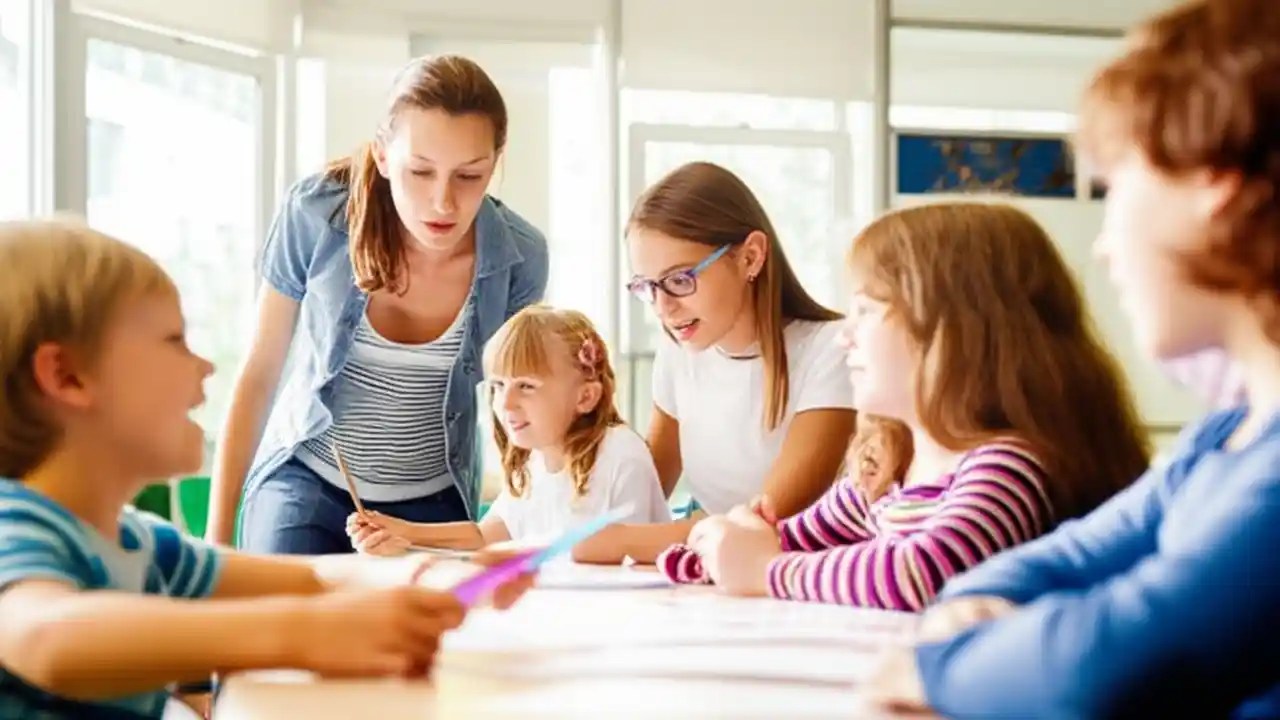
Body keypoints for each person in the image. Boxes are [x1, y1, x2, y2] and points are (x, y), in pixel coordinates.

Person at [870, 1, 1280, 716]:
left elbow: (1111, 659)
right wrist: (972, 608)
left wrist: (940, 665)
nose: (1103, 243)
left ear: (1213, 178)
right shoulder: (1219, 441)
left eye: (1118, 185)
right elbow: (1059, 559)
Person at [0, 221, 530, 720]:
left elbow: (314, 577)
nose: (205, 366)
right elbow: (45, 636)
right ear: (67, 375)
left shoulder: (140, 546)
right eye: (173, 341)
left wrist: (434, 576)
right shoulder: (15, 525)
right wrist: (305, 634)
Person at [658, 203, 1150, 609]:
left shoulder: (1009, 467)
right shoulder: (888, 468)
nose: (846, 335)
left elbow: (924, 574)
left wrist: (768, 570)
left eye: (867, 312)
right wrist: (718, 546)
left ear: (955, 332)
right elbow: (794, 536)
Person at [208, 54, 549, 554]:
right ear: (384, 155)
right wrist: (215, 544)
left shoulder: (521, 257)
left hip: (433, 505)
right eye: (421, 171)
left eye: (469, 176)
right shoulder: (317, 214)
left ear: (495, 163)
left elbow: (523, 404)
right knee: (284, 617)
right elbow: (260, 372)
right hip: (307, 482)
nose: (443, 203)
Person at [574, 162, 856, 564]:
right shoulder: (679, 351)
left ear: (751, 257)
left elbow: (768, 522)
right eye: (647, 286)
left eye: (680, 279)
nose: (663, 307)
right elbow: (643, 490)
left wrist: (622, 540)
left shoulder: (832, 350)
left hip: (807, 579)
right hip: (721, 576)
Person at [347, 306, 668, 555]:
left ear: (586, 396)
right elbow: (488, 535)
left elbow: (631, 559)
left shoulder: (621, 455)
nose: (506, 403)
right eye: (499, 386)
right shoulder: (533, 459)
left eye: (527, 386)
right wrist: (402, 533)